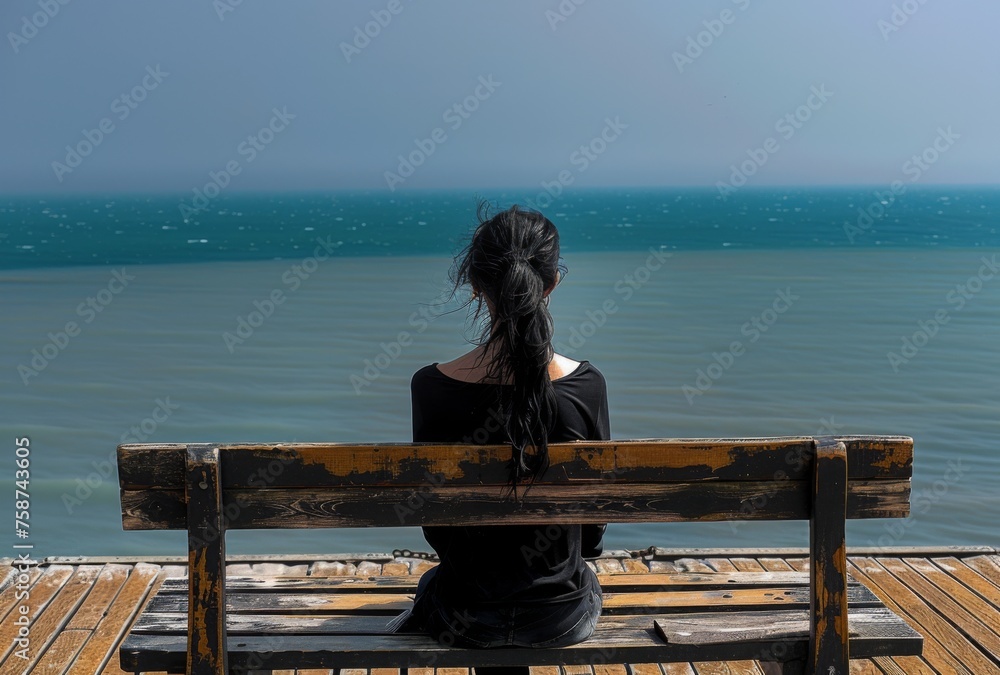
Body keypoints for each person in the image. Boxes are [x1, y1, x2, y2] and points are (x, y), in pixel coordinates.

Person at [393, 202, 611, 667]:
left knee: (432, 584)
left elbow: (435, 521)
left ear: (475, 286)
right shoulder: (586, 386)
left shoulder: (430, 387)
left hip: (464, 614)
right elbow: (592, 530)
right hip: (560, 616)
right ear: (551, 284)